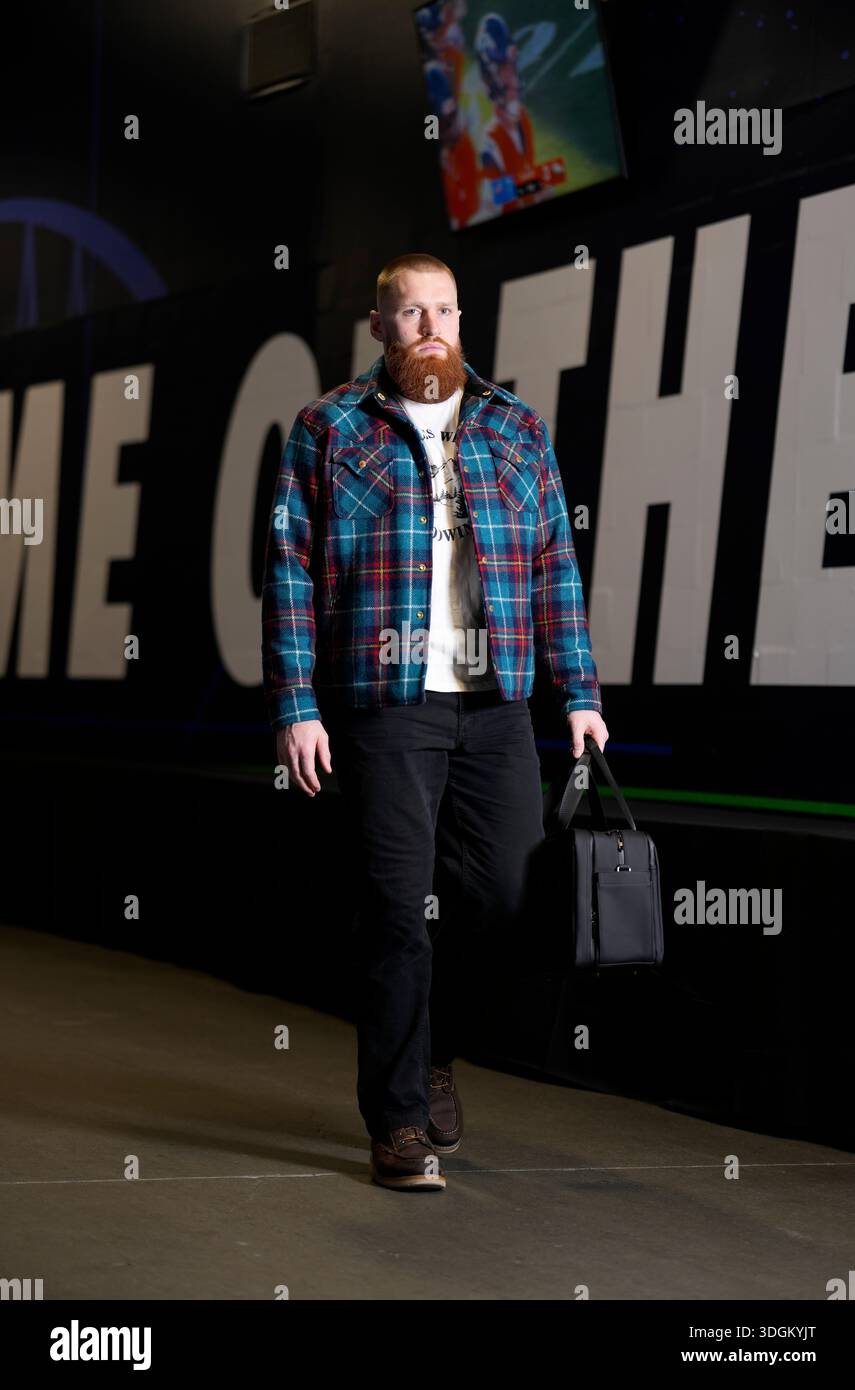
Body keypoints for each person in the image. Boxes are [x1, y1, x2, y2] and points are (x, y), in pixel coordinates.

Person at [261, 252, 608, 1191]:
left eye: (445, 311)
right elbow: (291, 571)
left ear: (463, 319)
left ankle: (437, 1051)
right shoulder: (328, 428)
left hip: (497, 706)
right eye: (410, 315)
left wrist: (578, 691)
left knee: (500, 899)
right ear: (380, 329)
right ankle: (399, 1121)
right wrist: (297, 704)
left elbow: (552, 566)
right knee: (395, 912)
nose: (432, 329)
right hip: (388, 707)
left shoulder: (515, 427)